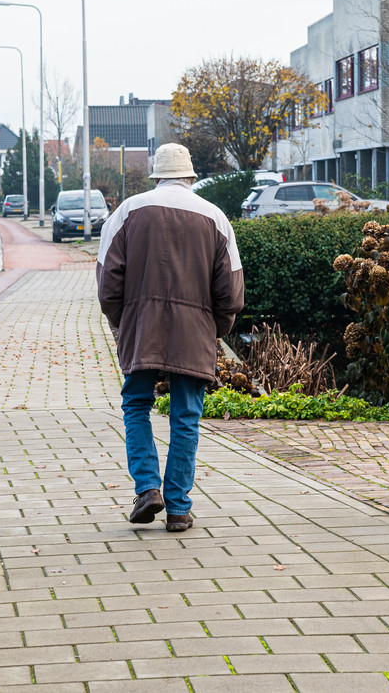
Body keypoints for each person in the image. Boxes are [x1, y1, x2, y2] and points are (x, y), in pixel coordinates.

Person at [95, 143, 244, 532]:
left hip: (141, 327)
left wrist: (123, 322)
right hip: (194, 332)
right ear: (191, 177)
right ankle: (178, 508)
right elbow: (231, 292)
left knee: (136, 403)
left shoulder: (126, 212)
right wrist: (214, 328)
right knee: (186, 416)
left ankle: (147, 488)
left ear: (156, 175)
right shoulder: (215, 217)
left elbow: (108, 283)